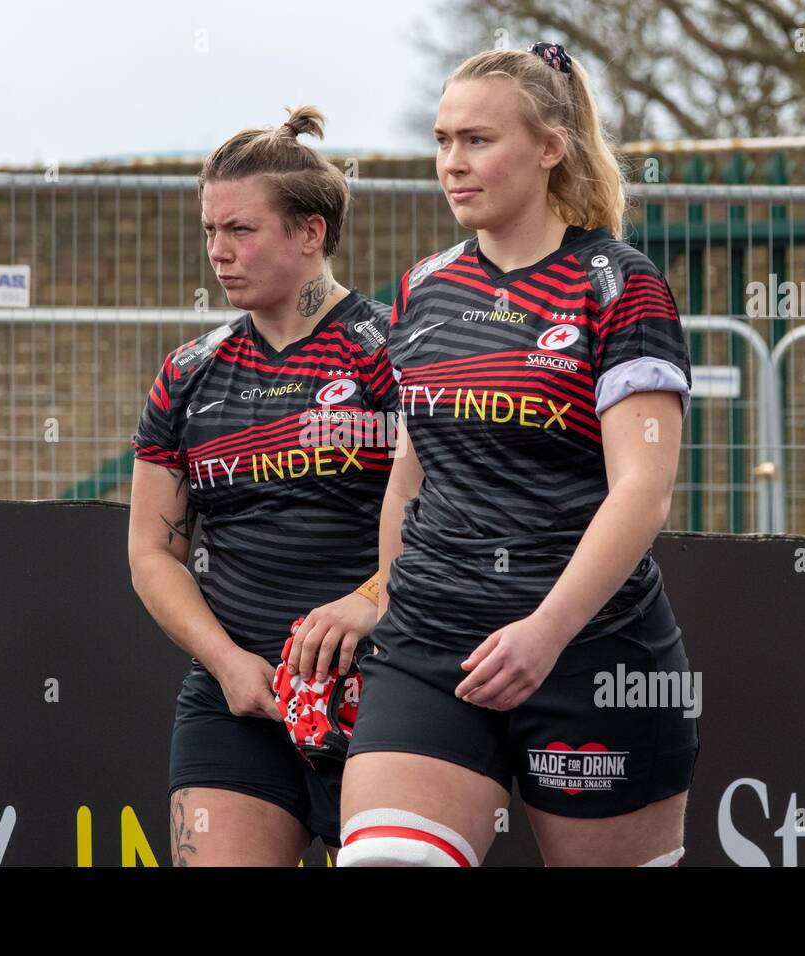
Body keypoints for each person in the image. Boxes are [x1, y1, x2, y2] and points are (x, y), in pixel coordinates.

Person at [337, 42, 699, 867]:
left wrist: (542, 634)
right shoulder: (423, 287)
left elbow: (641, 492)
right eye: (441, 141)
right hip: (432, 650)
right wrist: (391, 602)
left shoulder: (617, 284)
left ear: (548, 148)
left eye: (477, 140)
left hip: (589, 656)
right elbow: (407, 482)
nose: (452, 164)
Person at [127, 105, 398, 866]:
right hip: (234, 697)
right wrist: (226, 661)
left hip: (384, 691)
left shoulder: (392, 356)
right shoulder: (189, 373)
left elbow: (449, 519)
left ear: (309, 232)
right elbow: (152, 552)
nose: (218, 251)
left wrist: (370, 600)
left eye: (240, 230)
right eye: (210, 230)